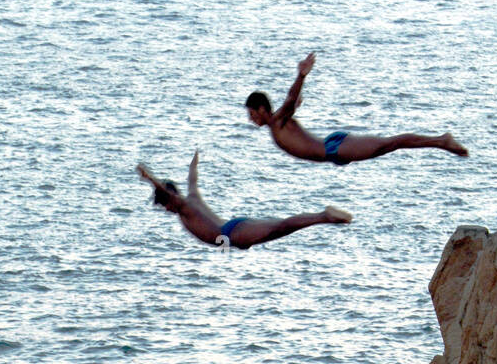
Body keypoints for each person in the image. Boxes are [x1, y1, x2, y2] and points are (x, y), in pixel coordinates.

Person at [245, 53, 468, 165]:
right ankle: (440, 142)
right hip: (334, 152)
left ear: (262, 108)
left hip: (335, 148)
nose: (252, 119)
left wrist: (301, 75)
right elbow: (292, 104)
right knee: (389, 146)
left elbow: (291, 98)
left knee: (391, 143)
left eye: (253, 114)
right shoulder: (279, 122)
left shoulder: (276, 122)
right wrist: (295, 101)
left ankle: (442, 141)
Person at [137, 153, 352, 250]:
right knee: (280, 228)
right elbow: (192, 178)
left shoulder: (183, 206)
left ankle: (324, 216)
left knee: (281, 227)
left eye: (164, 204)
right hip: (234, 232)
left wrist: (150, 179)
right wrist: (194, 162)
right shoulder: (191, 196)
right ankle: (326, 218)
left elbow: (168, 192)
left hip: (233, 233)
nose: (166, 209)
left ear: (170, 198)